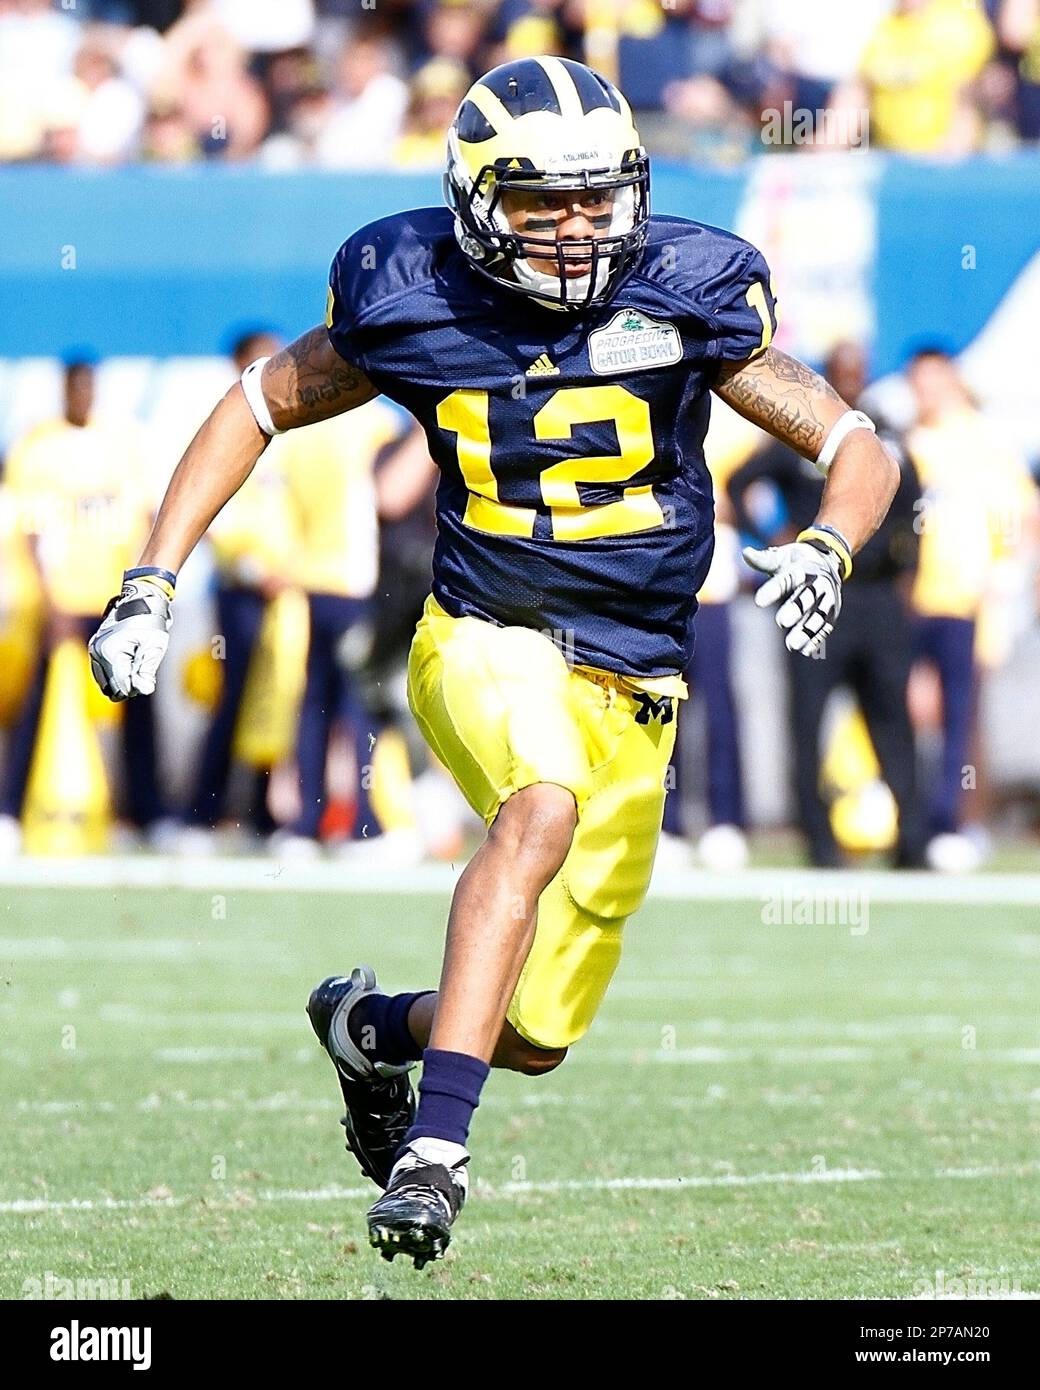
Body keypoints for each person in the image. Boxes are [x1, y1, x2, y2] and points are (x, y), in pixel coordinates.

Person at [88, 56, 900, 1267]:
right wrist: (151, 578)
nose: (575, 231)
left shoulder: (688, 286)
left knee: (531, 1032)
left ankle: (372, 1032)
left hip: (640, 680)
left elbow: (852, 440)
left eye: (595, 198)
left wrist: (831, 540)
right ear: (476, 201)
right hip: (482, 631)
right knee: (535, 807)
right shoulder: (410, 293)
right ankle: (435, 1153)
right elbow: (253, 406)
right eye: (540, 203)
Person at [728, 342, 926, 868]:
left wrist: (908, 575)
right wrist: (776, 535)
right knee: (808, 718)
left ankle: (913, 839)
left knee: (891, 717)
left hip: (877, 594)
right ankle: (818, 841)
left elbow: (913, 506)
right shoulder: (804, 431)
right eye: (842, 370)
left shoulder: (885, 436)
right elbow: (739, 481)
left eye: (858, 369)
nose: (852, 378)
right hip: (816, 592)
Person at [1, 358, 165, 852]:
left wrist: (137, 596)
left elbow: (144, 517)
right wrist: (49, 601)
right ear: (64, 390)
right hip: (61, 600)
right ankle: (10, 810)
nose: (84, 396)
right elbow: (29, 529)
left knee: (137, 700)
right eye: (76, 388)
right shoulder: (39, 446)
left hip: (110, 597)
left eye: (90, 388)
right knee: (37, 703)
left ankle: (147, 815)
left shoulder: (120, 442)